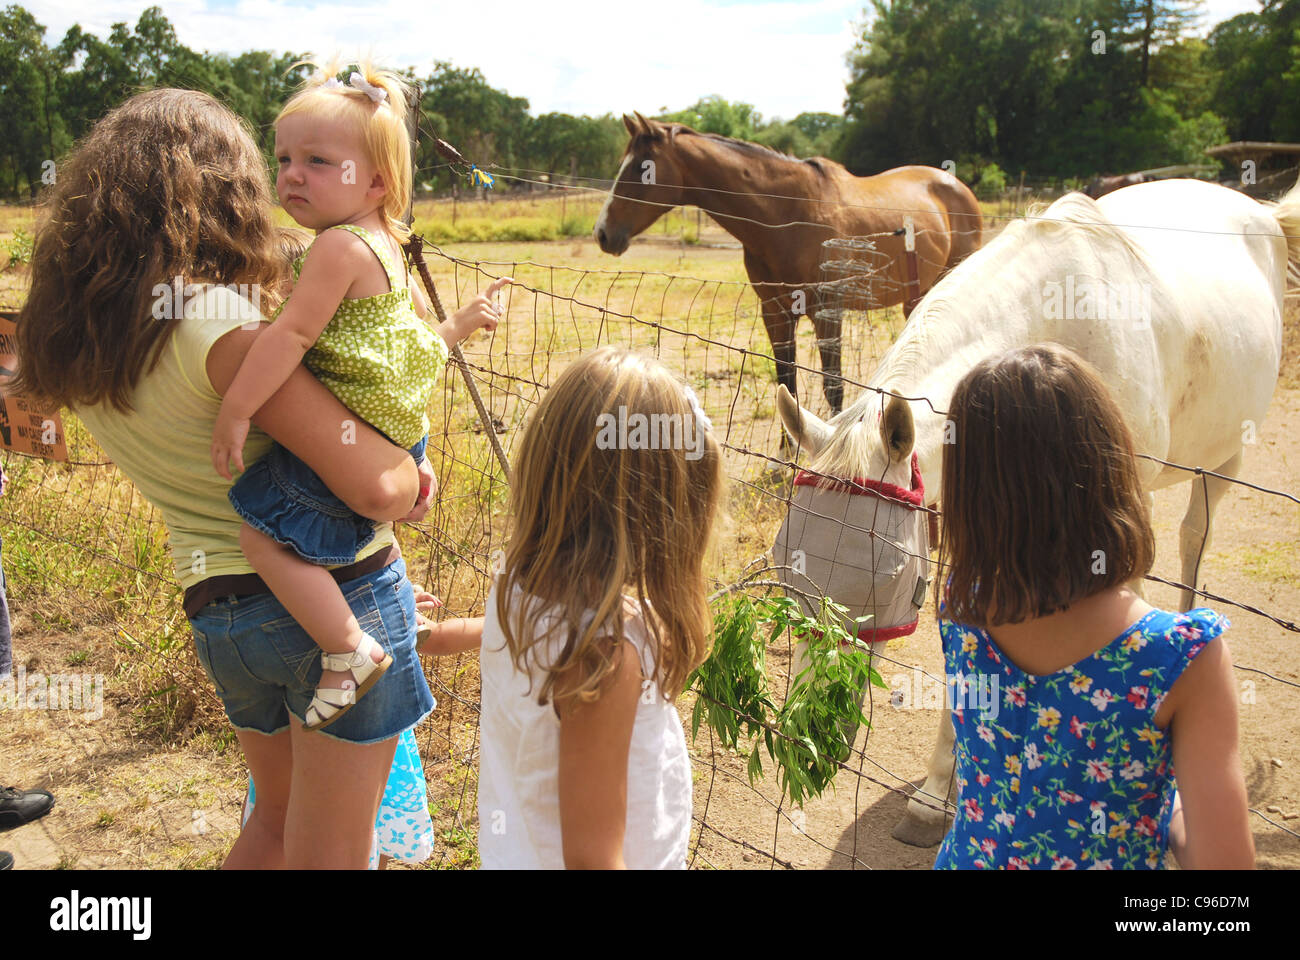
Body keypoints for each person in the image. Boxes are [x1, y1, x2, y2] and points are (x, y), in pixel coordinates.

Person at [11, 85, 486, 868]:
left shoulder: (95, 343)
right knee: (331, 853)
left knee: (274, 829)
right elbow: (380, 490)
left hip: (218, 610)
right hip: (328, 607)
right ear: (221, 192)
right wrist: (411, 472)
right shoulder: (224, 329)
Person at [208, 62, 506, 731]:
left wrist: (238, 409)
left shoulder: (337, 248)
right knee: (350, 539)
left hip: (355, 436)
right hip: (393, 432)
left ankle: (348, 647)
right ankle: (385, 601)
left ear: (375, 181)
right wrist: (456, 326)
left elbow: (288, 338)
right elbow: (400, 341)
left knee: (261, 542)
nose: (291, 174)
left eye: (317, 160)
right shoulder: (383, 244)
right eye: (284, 158)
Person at [933, 343, 1254, 869]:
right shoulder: (1181, 658)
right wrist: (1164, 805)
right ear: (1111, 460)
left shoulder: (961, 610)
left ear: (969, 491)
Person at [419, 346, 724, 869]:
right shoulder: (604, 656)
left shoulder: (518, 585)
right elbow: (593, 859)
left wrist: (435, 634)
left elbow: (496, 629)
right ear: (663, 510)